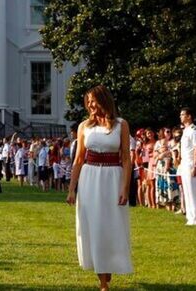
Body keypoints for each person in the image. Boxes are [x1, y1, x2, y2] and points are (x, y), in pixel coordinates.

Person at [67, 85, 132, 291]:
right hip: (90, 178)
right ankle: (102, 280)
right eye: (88, 102)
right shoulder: (84, 126)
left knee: (111, 226)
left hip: (113, 176)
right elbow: (78, 159)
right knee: (93, 226)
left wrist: (125, 188)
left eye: (93, 101)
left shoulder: (121, 125)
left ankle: (108, 265)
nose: (90, 105)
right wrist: (71, 188)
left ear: (104, 100)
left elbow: (126, 158)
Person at [179, 108, 196, 225]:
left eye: (183, 114)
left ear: (189, 116)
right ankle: (190, 216)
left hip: (190, 163)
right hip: (184, 162)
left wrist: (195, 165)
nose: (181, 116)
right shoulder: (186, 130)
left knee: (193, 191)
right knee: (187, 190)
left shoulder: (194, 130)